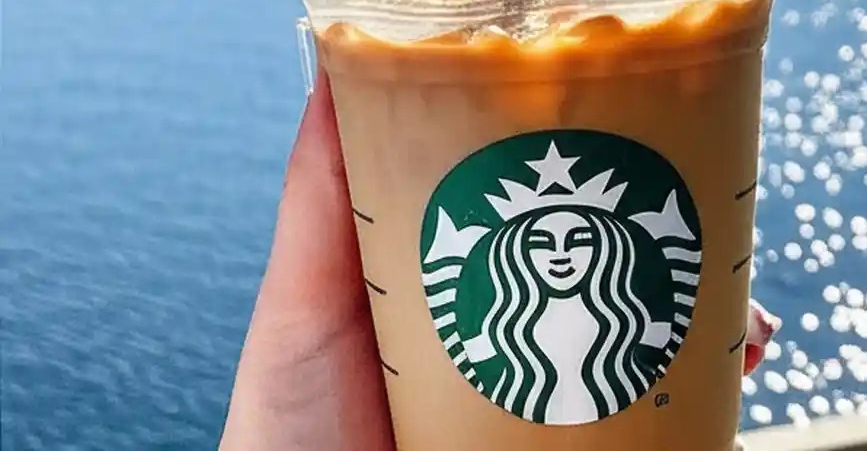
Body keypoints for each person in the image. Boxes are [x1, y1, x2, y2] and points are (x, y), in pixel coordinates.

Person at [220, 72, 781, 450]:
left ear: (610, 248)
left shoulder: (637, 327)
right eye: (542, 243)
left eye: (580, 242)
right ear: (515, 253)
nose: (561, 256)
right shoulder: (498, 338)